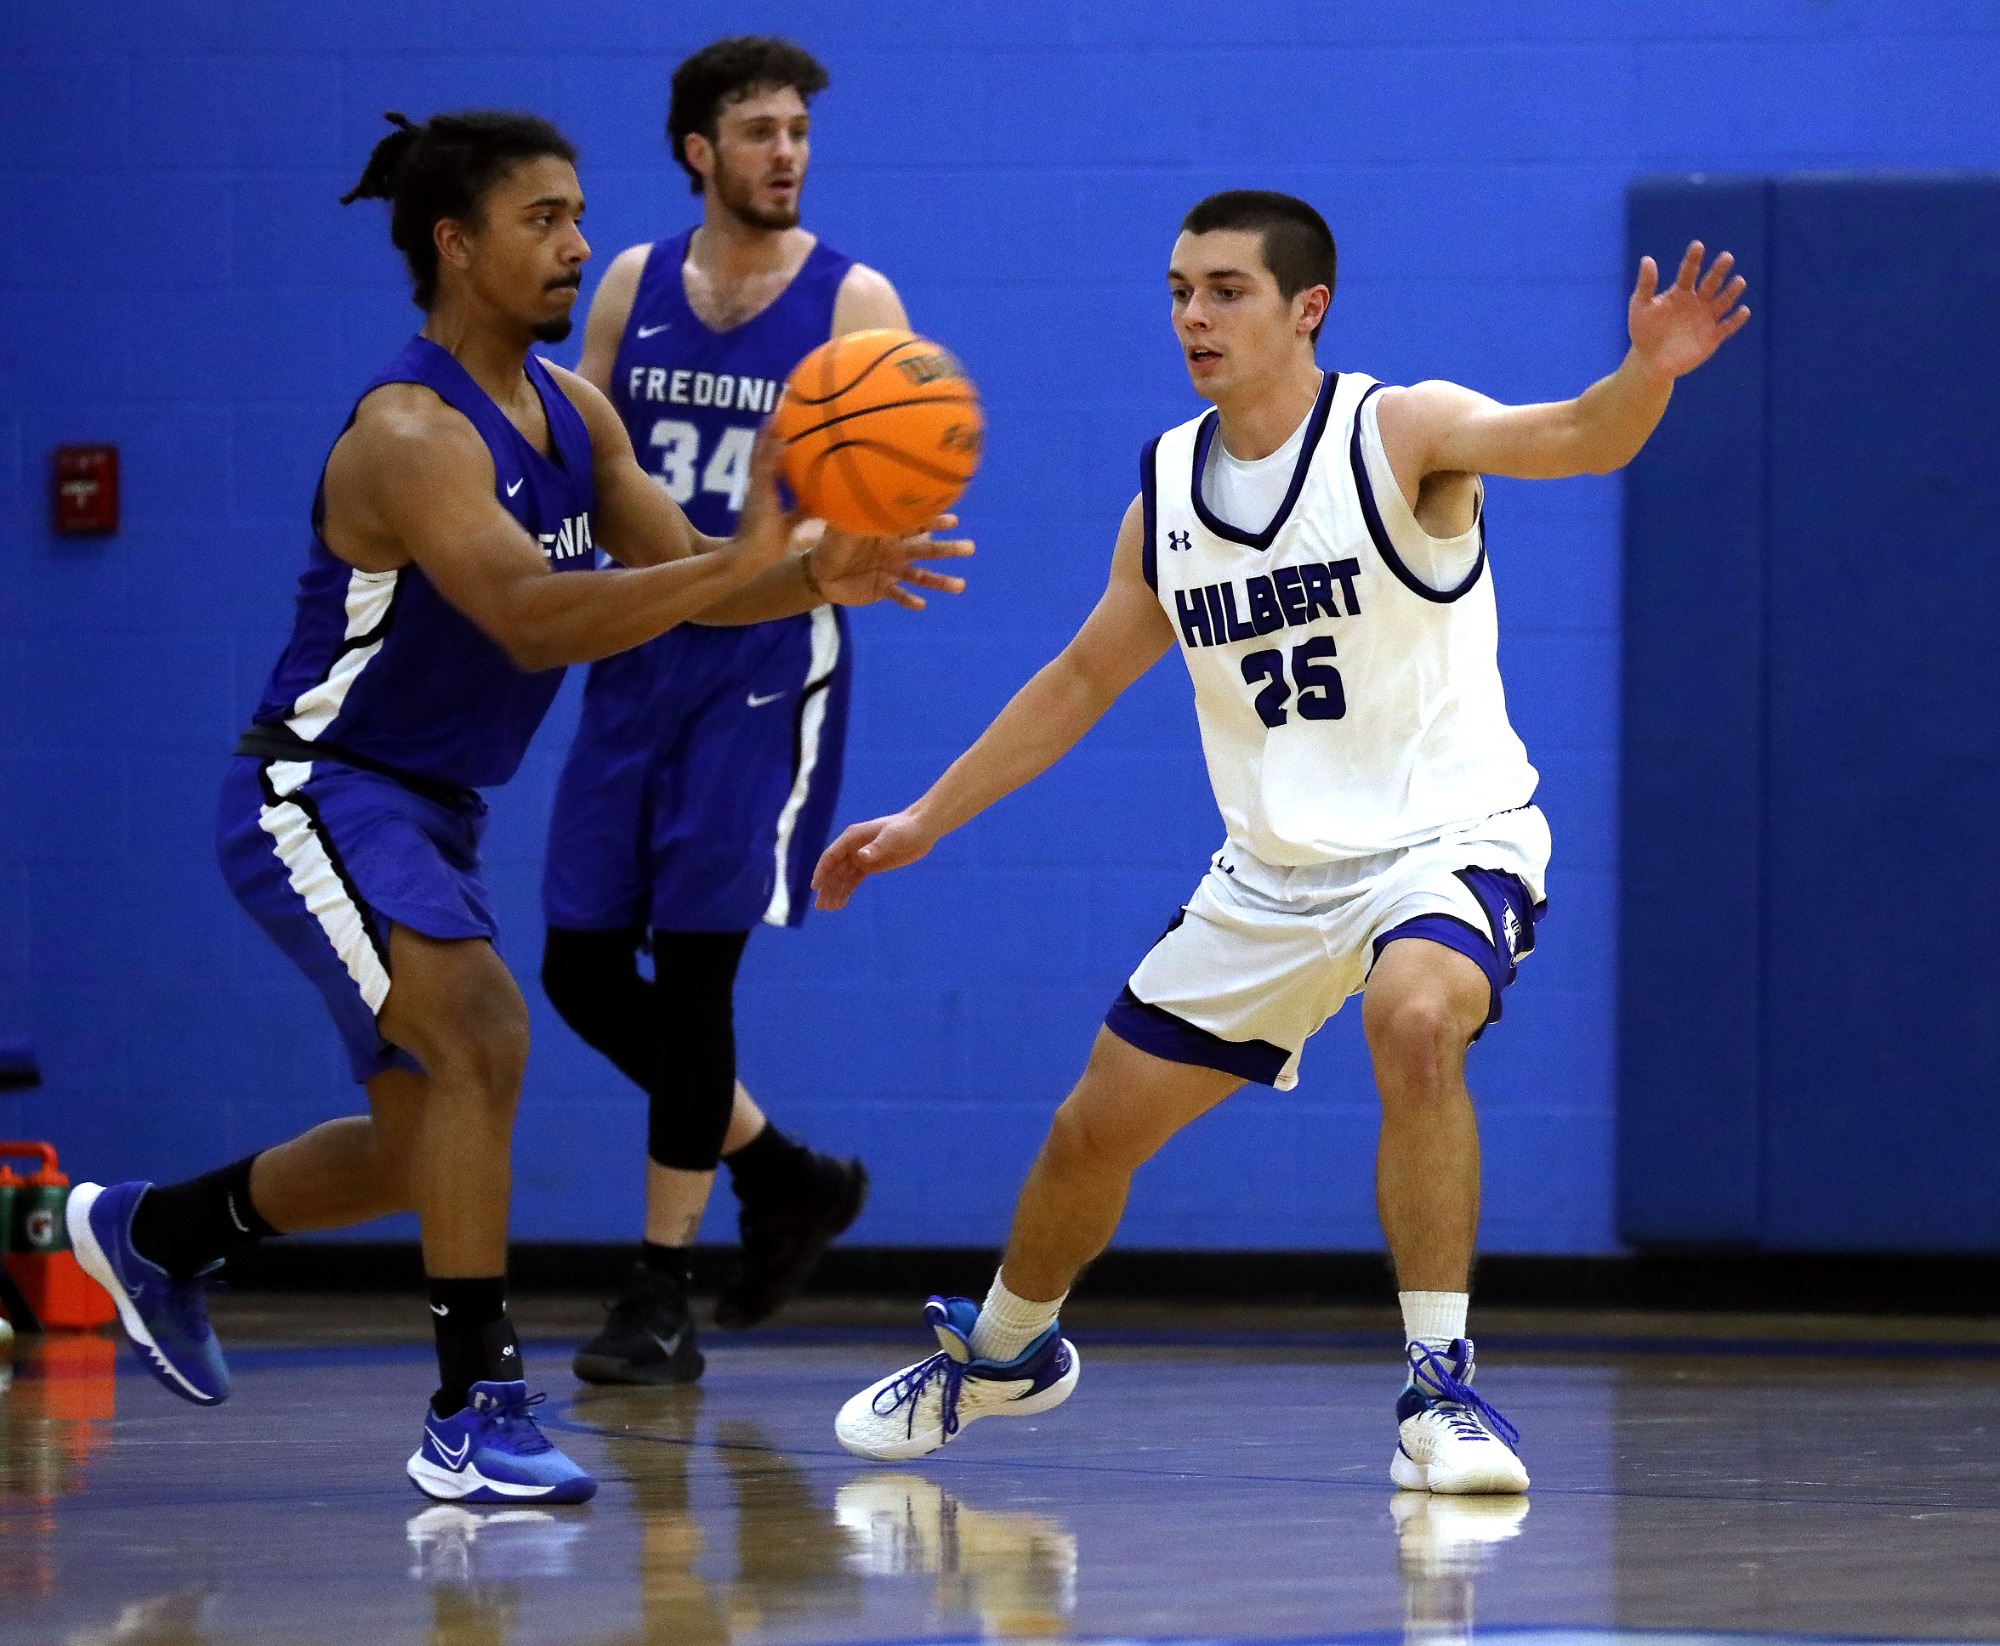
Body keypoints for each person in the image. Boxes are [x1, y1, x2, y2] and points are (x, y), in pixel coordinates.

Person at [63, 109, 967, 1505]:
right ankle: (473, 1403)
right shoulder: (411, 429)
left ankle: (159, 1230)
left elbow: (694, 590)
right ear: (455, 243)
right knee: (487, 1031)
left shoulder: (577, 413)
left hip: (431, 810)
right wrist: (743, 563)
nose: (578, 242)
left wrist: (808, 571)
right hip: (317, 786)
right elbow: (537, 618)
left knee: (426, 1150)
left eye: (579, 213)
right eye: (542, 217)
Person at [815, 191, 1746, 1492]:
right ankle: (1008, 1349)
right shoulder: (1167, 494)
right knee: (1092, 1133)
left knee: (1416, 1019)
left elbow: (1579, 438)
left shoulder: (1398, 430)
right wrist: (923, 815)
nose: (1195, 315)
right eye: (1180, 289)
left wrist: (1646, 369)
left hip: (1445, 834)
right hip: (1272, 877)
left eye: (1228, 290)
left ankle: (1441, 1391)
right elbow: (1082, 679)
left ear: (1308, 307)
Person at [541, 37, 906, 1386]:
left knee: (695, 971)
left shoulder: (857, 299)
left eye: (798, 129)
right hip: (638, 643)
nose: (786, 152)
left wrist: (853, 536)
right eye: (757, 129)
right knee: (580, 966)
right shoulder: (631, 283)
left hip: (764, 658)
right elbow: (586, 456)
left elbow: (881, 506)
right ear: (697, 148)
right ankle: (786, 1172)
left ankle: (660, 1288)